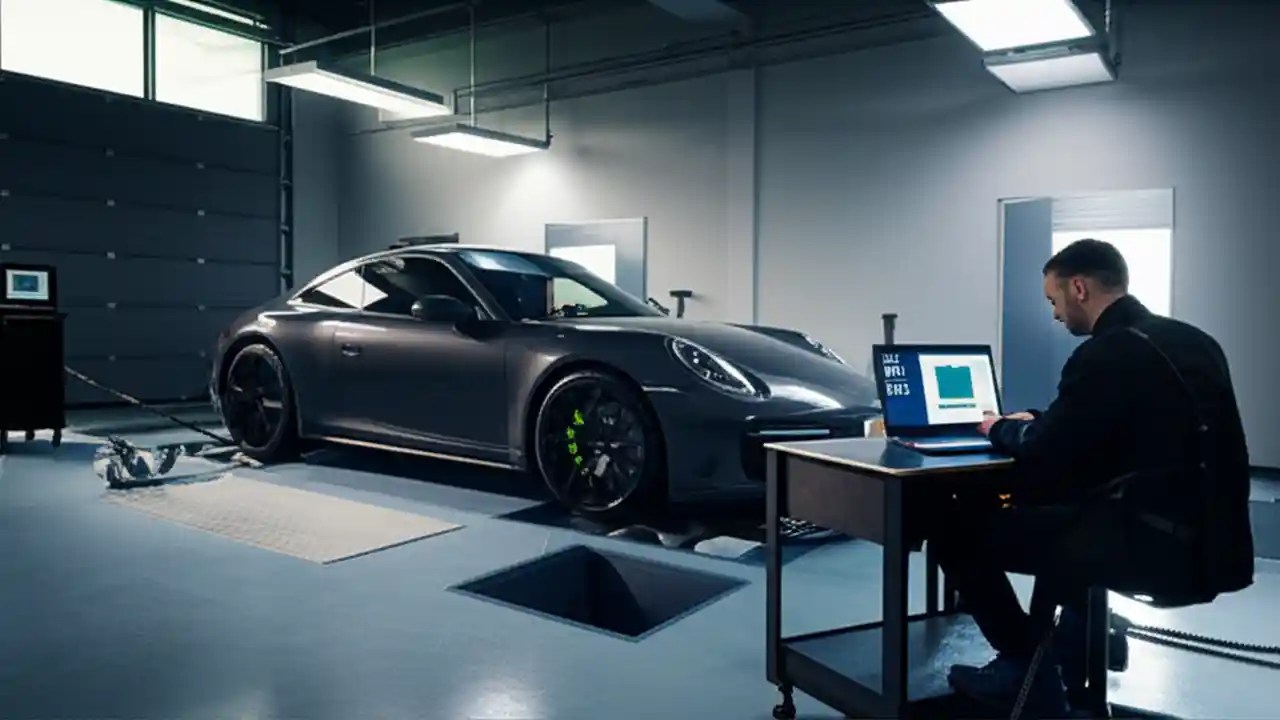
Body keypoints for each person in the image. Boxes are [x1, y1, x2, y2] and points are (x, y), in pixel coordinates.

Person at [932, 238, 1254, 715]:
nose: (1056, 314)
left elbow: (1044, 455)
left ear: (1078, 288)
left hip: (1145, 543)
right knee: (1062, 522)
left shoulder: (1107, 352)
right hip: (1209, 540)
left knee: (955, 533)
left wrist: (999, 427)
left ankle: (1023, 664)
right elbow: (1123, 431)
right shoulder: (1194, 341)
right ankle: (1065, 647)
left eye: (1054, 300)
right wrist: (1043, 422)